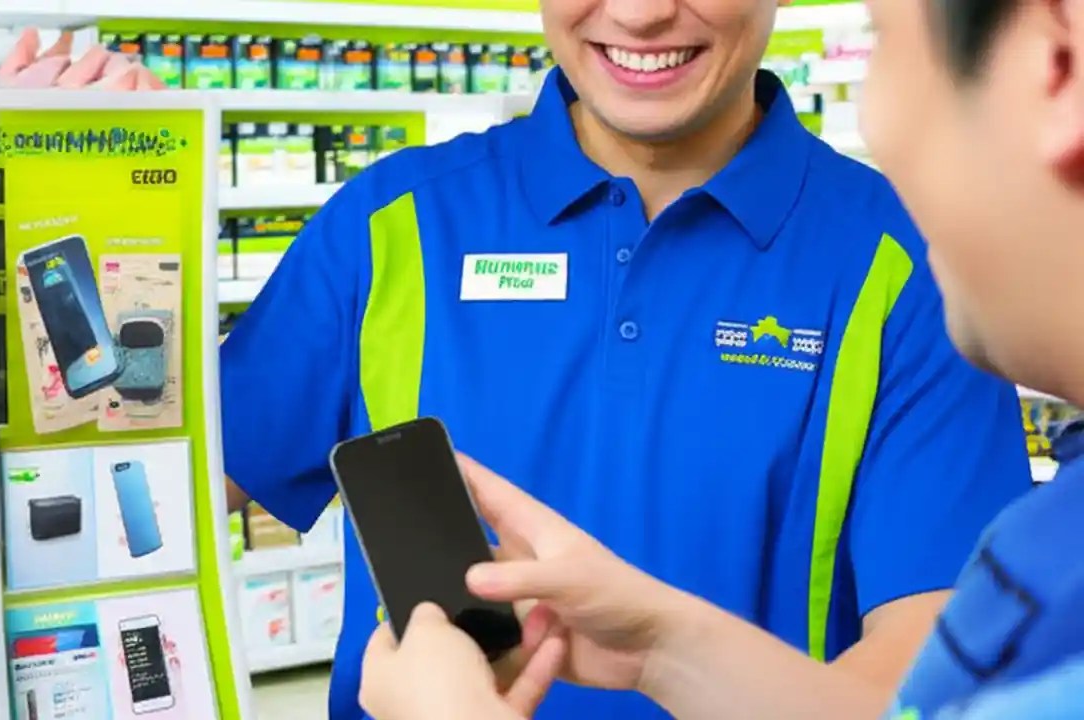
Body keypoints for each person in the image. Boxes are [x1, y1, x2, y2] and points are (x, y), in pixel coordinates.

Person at [218, 0, 1033, 717]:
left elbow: (928, 666)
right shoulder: (389, 223)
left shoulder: (909, 264)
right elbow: (154, 485)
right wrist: (116, 169)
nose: (641, 14)